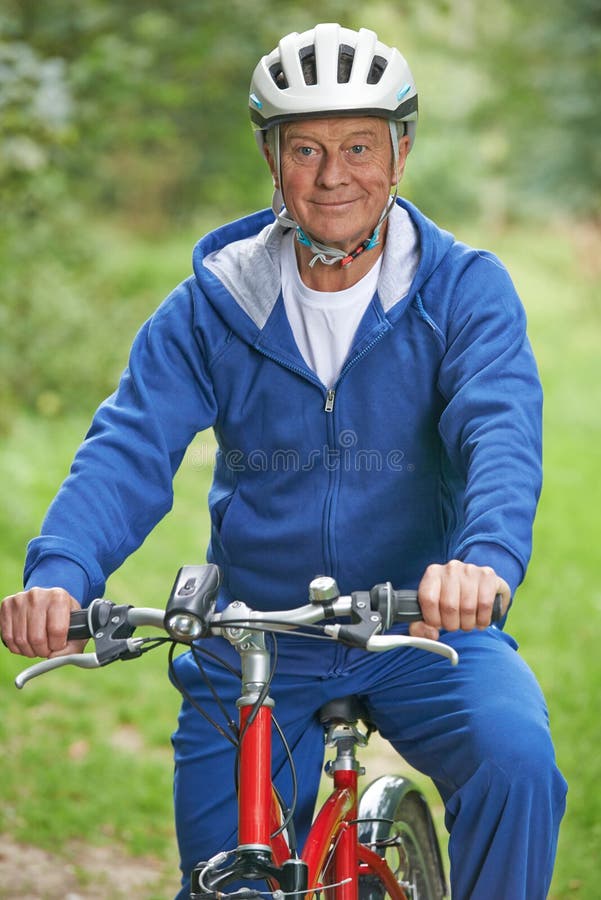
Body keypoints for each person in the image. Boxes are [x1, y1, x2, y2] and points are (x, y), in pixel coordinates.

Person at [1, 23, 566, 899]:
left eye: (357, 146)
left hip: (426, 626)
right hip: (259, 636)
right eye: (304, 147)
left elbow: (498, 432)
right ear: (271, 158)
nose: (332, 174)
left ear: (400, 154)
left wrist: (482, 563)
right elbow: (130, 446)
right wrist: (64, 573)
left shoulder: (462, 290)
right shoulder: (210, 307)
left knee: (517, 764)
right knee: (231, 880)